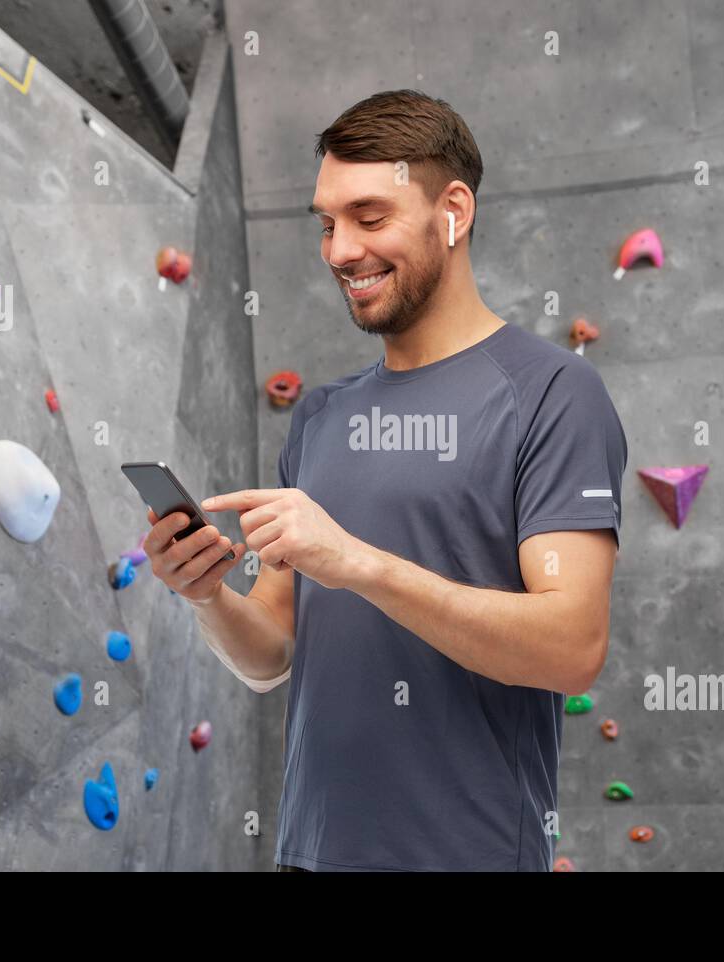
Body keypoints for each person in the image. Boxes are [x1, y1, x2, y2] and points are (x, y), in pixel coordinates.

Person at [144, 89, 627, 871]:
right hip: (309, 856)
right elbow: (271, 652)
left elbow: (572, 645)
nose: (339, 250)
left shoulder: (551, 393)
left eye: (370, 218)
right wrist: (205, 593)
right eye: (327, 224)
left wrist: (358, 564)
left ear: (454, 212)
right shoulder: (321, 416)